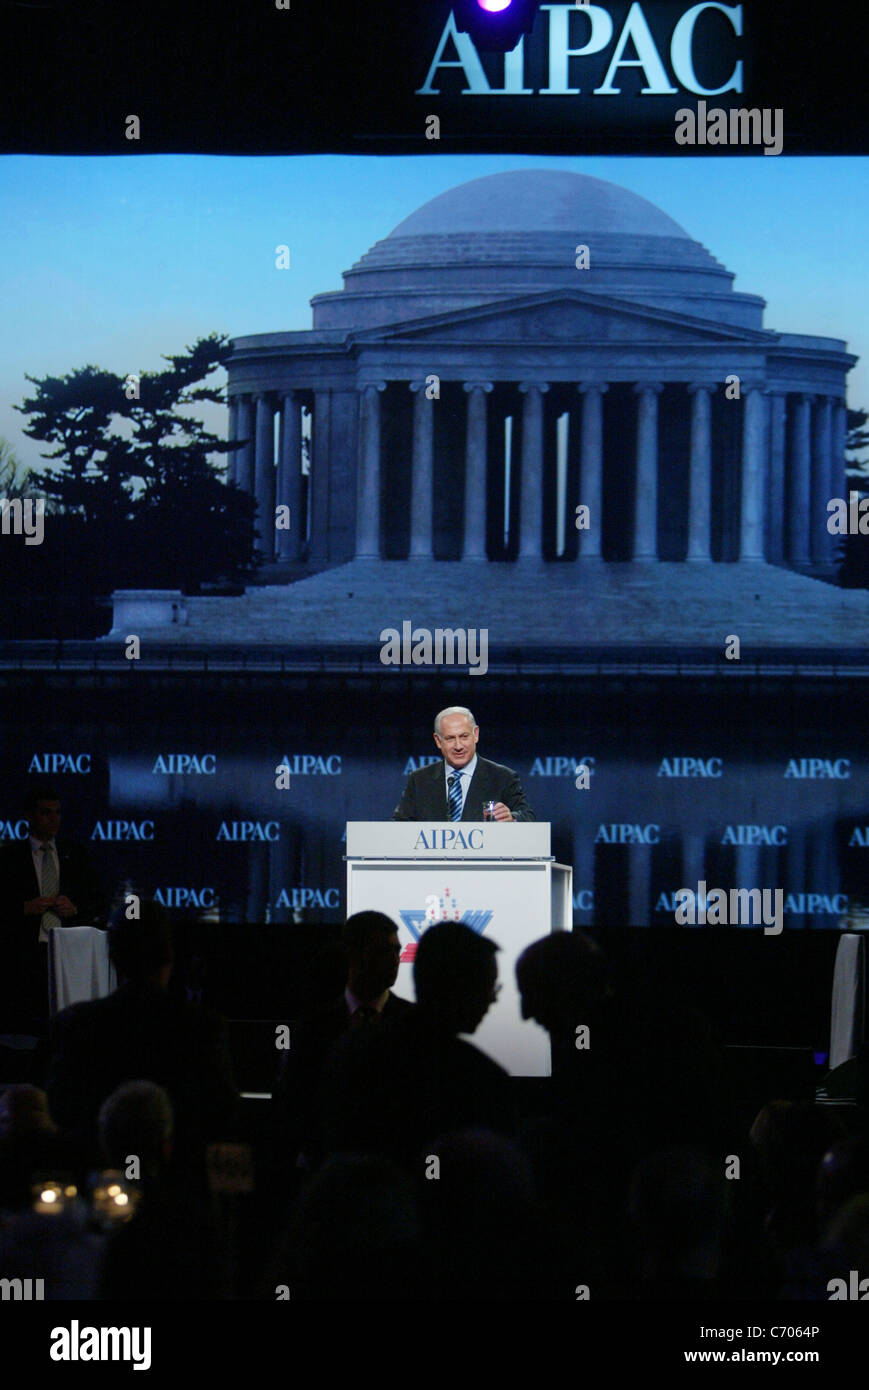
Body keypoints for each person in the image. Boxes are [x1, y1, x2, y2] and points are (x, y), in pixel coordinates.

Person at [46, 901, 238, 1175]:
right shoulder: (202, 1027)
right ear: (170, 953)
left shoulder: (74, 1026)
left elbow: (62, 1114)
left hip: (96, 1190)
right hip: (179, 1189)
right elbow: (222, 1116)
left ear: (111, 956)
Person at [321, 921, 515, 1171]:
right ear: (461, 987)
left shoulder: (352, 1050)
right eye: (489, 985)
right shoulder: (481, 1079)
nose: (493, 997)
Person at [273, 911, 414, 1172]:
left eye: (396, 951)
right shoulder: (314, 1027)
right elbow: (294, 1102)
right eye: (383, 952)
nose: (395, 960)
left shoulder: (415, 1025)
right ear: (352, 955)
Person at [0, 780, 104, 1028]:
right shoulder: (8, 858)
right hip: (23, 956)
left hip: (68, 952)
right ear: (29, 815)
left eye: (57, 812)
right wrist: (24, 908)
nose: (53, 819)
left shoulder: (76, 855)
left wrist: (74, 908)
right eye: (45, 812)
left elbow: (97, 900)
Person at [392, 706, 535, 822]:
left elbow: (528, 817)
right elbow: (399, 825)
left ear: (476, 734)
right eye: (450, 738)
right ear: (438, 741)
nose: (458, 746)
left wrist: (512, 818)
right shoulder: (419, 780)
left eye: (464, 736)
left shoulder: (503, 777)